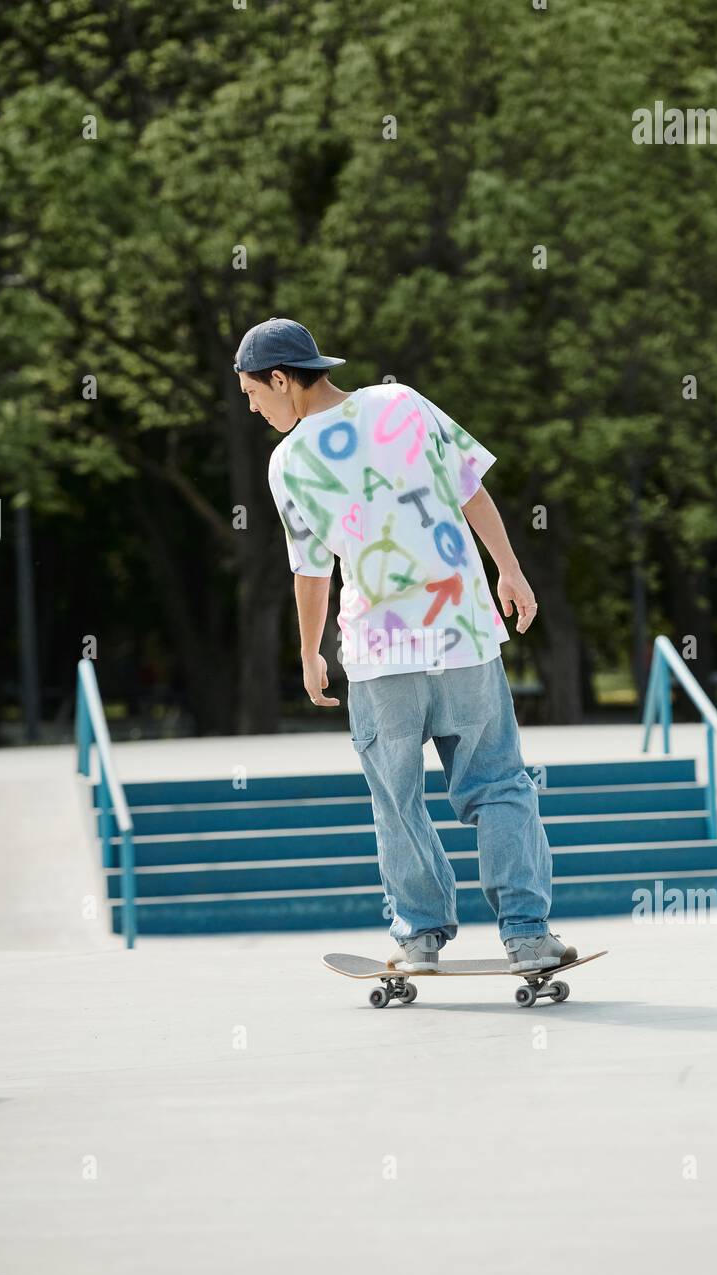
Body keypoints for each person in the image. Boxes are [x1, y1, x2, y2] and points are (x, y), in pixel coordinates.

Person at [233, 317, 575, 974]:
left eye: (253, 393)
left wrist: (310, 653)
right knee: (499, 783)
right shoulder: (401, 403)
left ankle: (419, 937)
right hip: (464, 635)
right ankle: (528, 934)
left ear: (282, 379)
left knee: (396, 796)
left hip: (379, 654)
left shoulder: (289, 462)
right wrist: (509, 567)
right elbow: (469, 486)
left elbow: (311, 568)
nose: (252, 407)